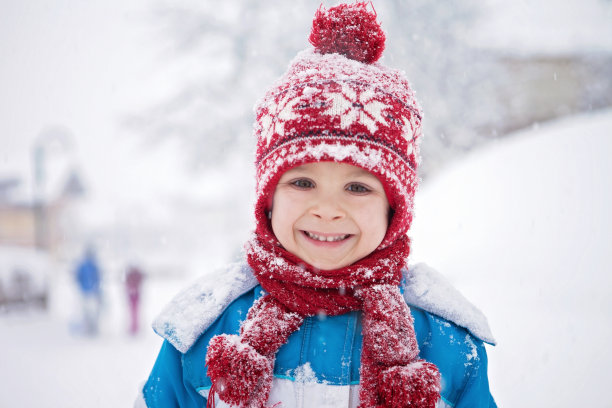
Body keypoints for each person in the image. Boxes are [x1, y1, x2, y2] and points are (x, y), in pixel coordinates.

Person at [137, 3, 496, 408]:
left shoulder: (441, 342)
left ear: (394, 211)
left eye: (358, 188)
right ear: (268, 201)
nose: (328, 209)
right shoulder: (208, 331)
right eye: (303, 182)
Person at [74, 246, 102, 336]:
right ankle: (92, 327)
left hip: (87, 292)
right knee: (92, 311)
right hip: (91, 292)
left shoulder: (84, 265)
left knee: (88, 311)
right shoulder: (92, 265)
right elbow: (98, 278)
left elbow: (78, 277)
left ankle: (90, 327)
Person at [125, 265, 144, 335]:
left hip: (134, 295)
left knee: (135, 312)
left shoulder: (133, 276)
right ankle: (134, 327)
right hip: (133, 295)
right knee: (134, 312)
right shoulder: (134, 276)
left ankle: (135, 327)